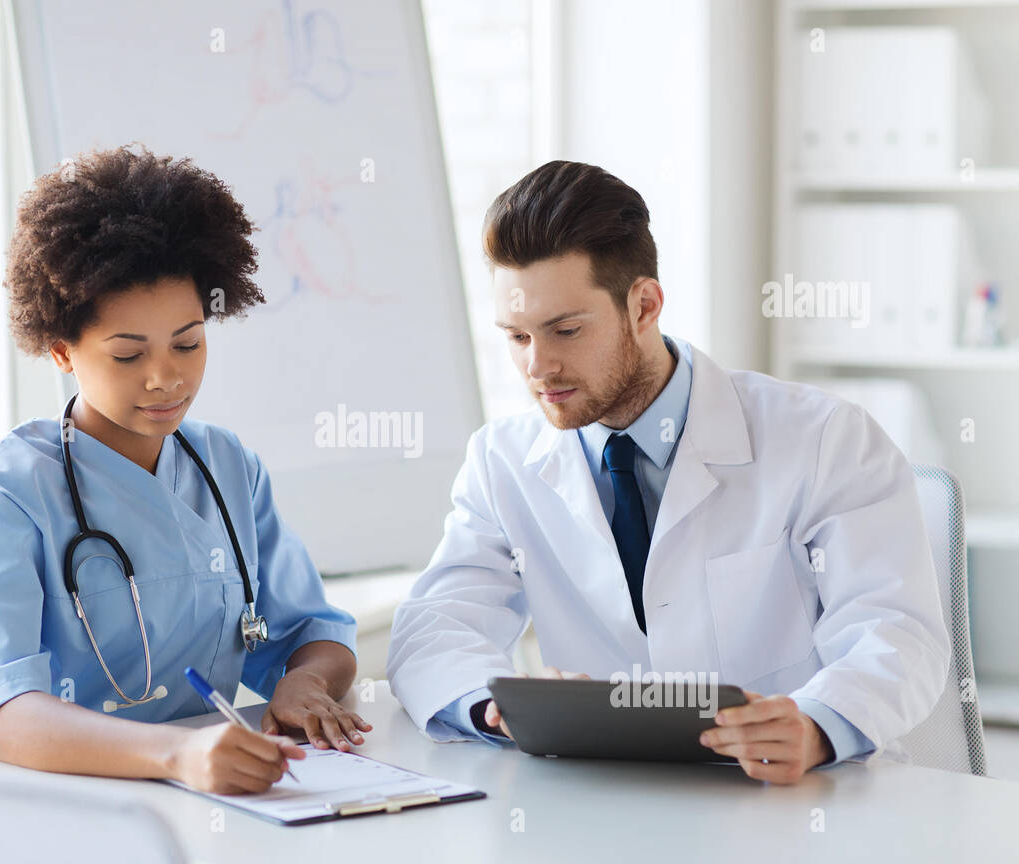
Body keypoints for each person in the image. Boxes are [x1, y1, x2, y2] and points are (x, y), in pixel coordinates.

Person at [387, 160, 948, 784]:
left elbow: (897, 631)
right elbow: (433, 627)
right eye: (516, 337)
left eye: (565, 330)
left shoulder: (823, 438)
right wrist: (493, 709)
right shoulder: (501, 462)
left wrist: (817, 724)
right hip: (607, 800)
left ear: (644, 305)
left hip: (792, 799)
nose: (539, 367)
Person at [0, 144, 371, 794]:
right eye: (128, 355)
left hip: (175, 796)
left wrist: (305, 681)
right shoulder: (3, 498)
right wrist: (173, 756)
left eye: (188, 342)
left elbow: (313, 630)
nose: (167, 378)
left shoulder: (228, 467)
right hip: (12, 799)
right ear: (62, 351)